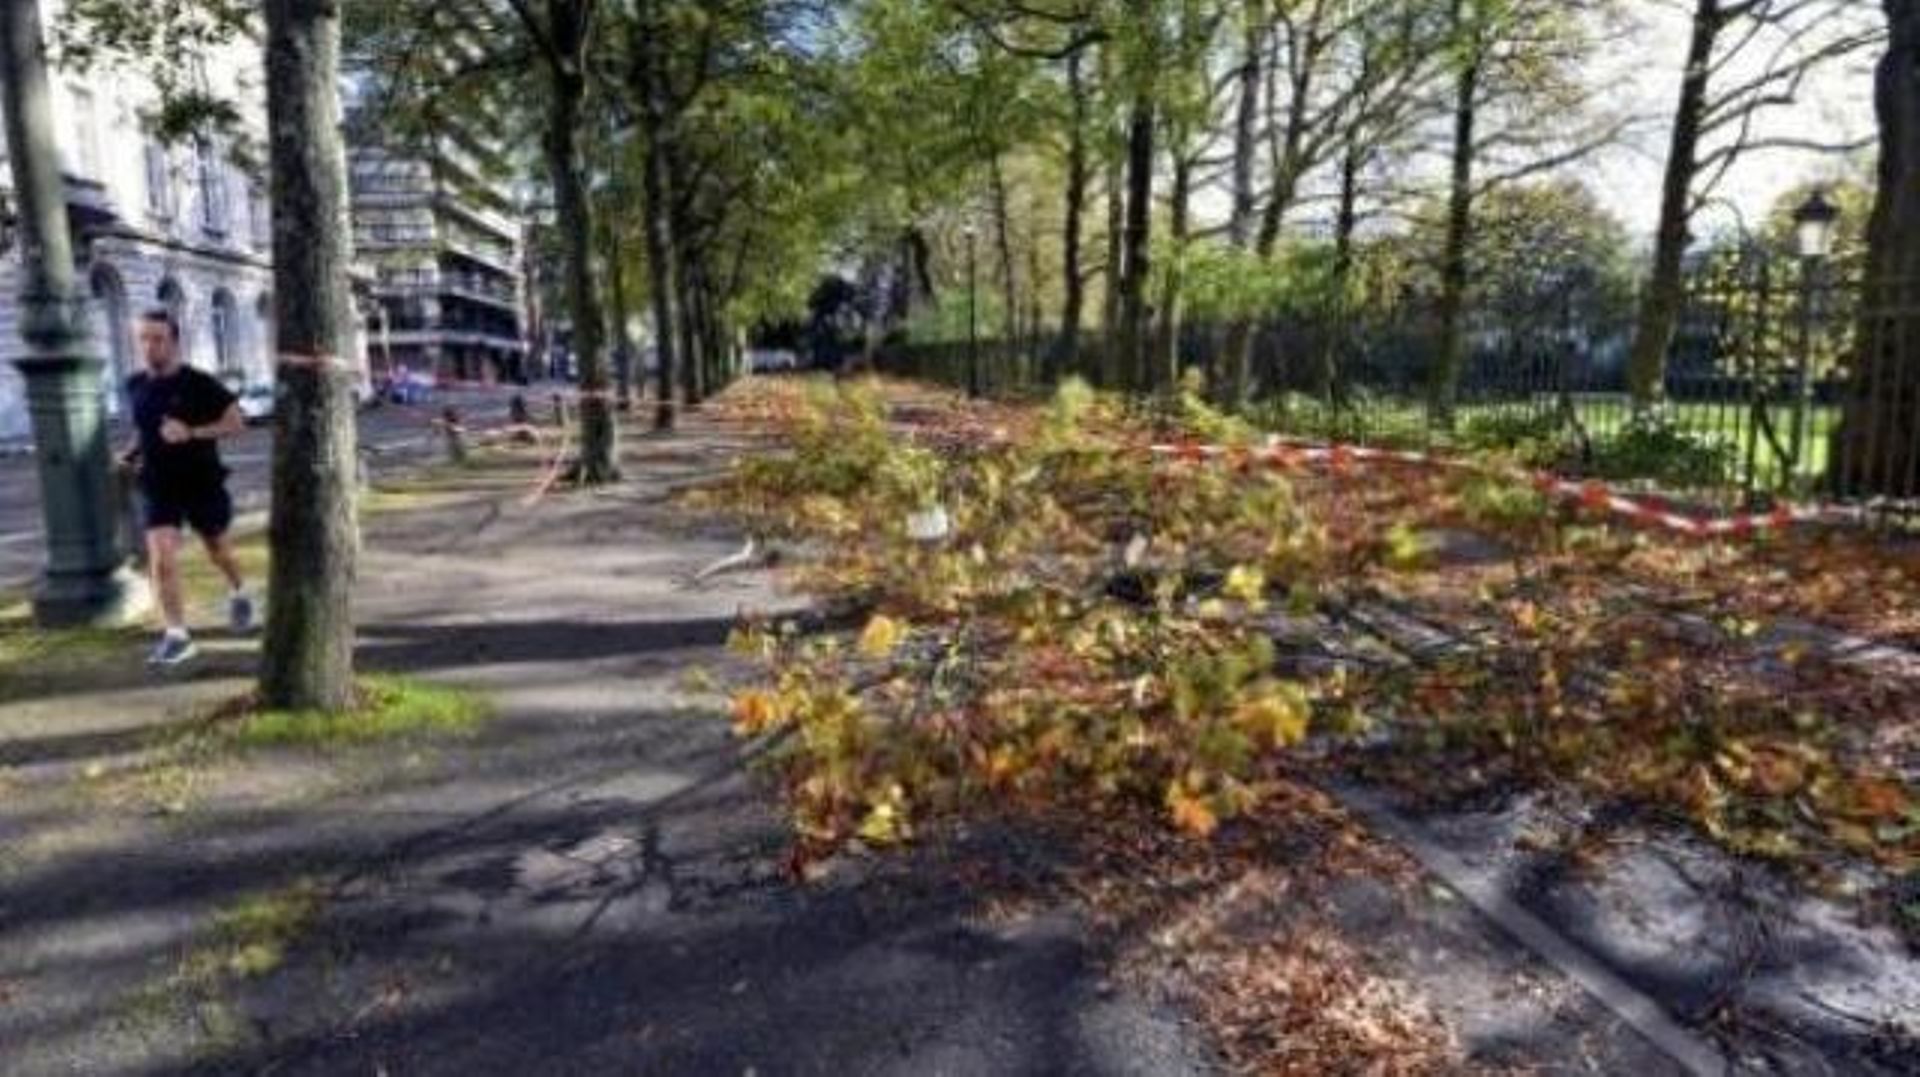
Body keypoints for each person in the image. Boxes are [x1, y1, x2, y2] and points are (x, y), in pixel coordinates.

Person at [118, 308, 254, 666]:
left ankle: (239, 590)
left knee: (218, 550)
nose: (150, 346)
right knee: (161, 559)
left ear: (174, 341)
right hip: (158, 485)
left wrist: (192, 432)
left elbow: (237, 423)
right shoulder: (135, 385)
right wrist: (130, 454)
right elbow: (144, 428)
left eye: (158, 339)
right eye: (143, 339)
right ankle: (177, 635)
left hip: (200, 482)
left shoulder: (199, 382)